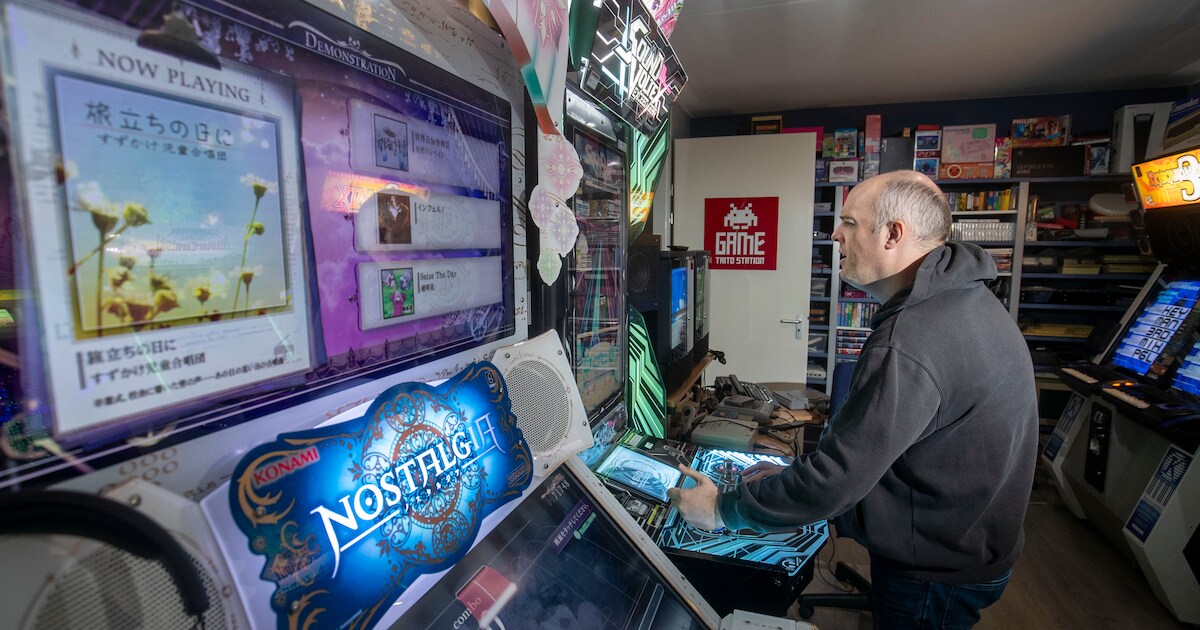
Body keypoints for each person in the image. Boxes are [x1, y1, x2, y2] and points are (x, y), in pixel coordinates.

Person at [667, 170, 1038, 628]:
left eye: (849, 223)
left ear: (893, 234)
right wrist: (794, 473)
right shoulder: (961, 300)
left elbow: (836, 481)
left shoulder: (912, 339)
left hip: (936, 571)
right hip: (968, 540)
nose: (835, 235)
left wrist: (722, 509)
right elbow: (877, 442)